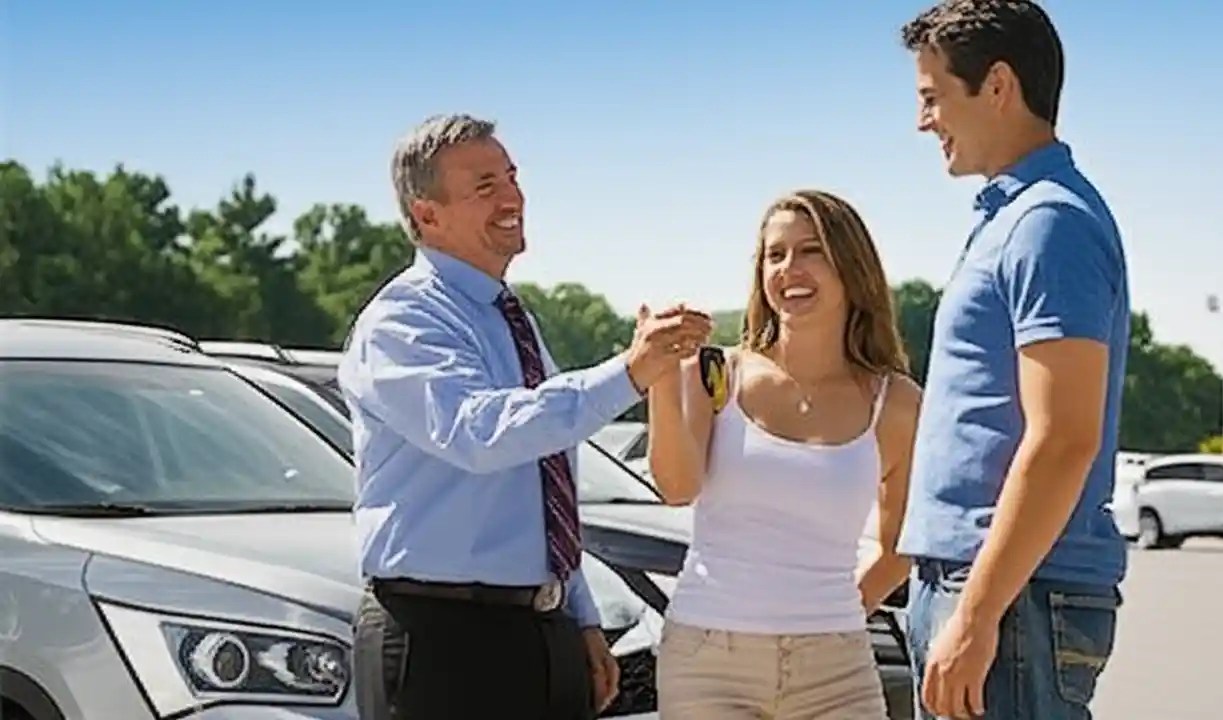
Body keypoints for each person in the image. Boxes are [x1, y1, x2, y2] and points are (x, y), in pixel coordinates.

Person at [337, 112, 714, 719]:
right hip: (442, 644)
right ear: (426, 213)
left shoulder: (511, 318)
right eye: (485, 186)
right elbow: (482, 433)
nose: (513, 196)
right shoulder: (401, 321)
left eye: (511, 176)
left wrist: (577, 613)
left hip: (539, 636)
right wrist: (632, 371)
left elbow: (542, 481)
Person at [892, 2, 1132, 719]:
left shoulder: (1047, 223)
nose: (923, 121)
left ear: (997, 85)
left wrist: (974, 614)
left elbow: (1063, 438)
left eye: (932, 97)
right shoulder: (1013, 219)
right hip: (992, 590)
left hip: (1011, 596)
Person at [647, 189, 923, 719]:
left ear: (852, 266)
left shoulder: (897, 402)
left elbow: (901, 546)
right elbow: (677, 488)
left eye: (811, 250)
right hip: (709, 663)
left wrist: (830, 612)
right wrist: (661, 380)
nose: (789, 268)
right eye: (776, 254)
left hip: (838, 668)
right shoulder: (713, 376)